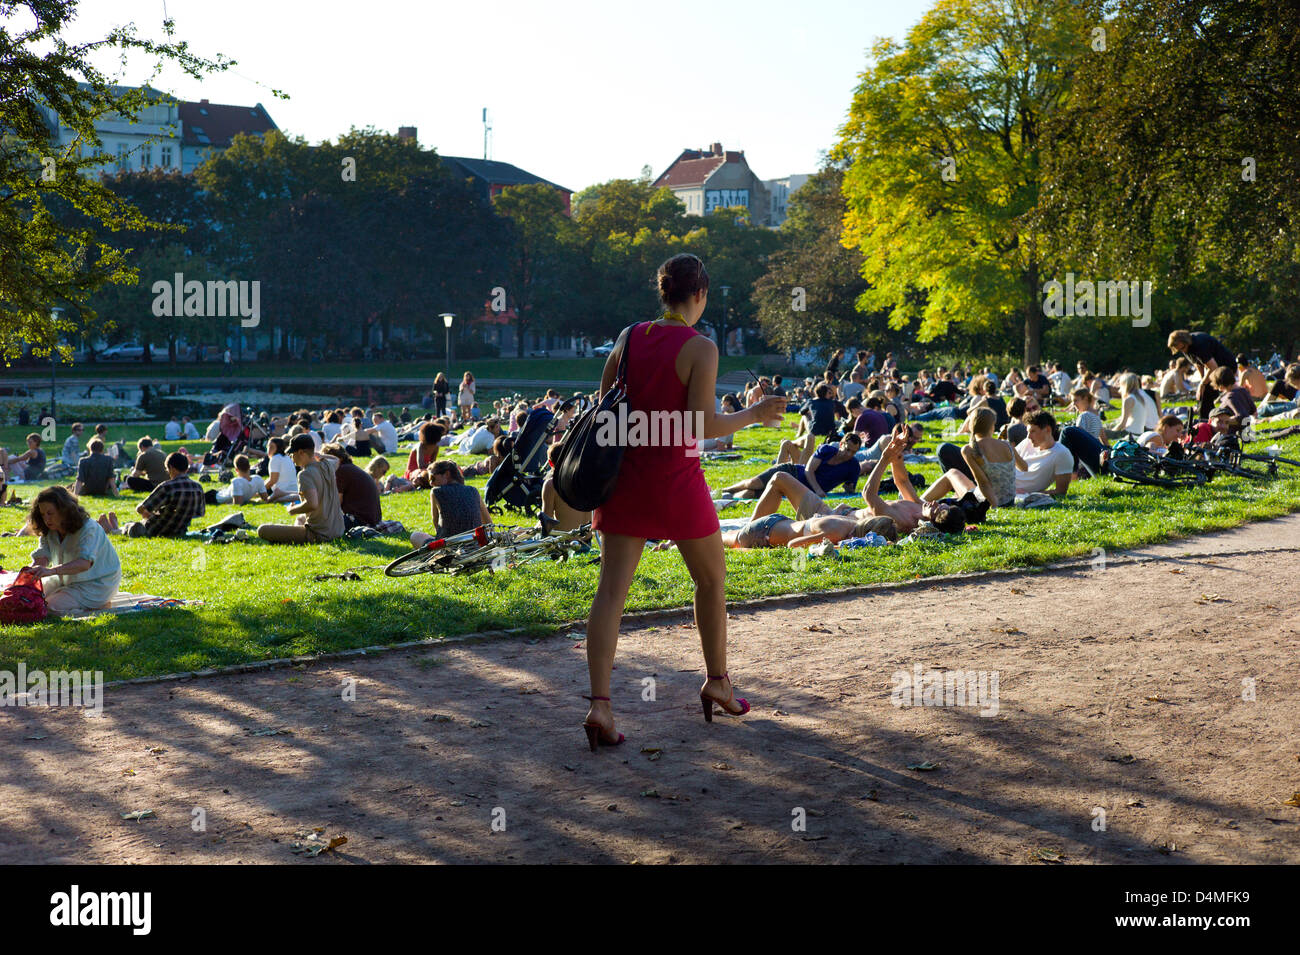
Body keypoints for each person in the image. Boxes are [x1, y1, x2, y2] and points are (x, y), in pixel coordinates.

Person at [582, 253, 786, 752]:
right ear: (700, 295)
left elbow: (605, 404)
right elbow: (702, 426)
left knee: (611, 594)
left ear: (664, 292)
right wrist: (755, 414)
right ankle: (718, 680)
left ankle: (600, 707)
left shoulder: (629, 337)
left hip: (625, 480)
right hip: (676, 480)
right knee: (711, 580)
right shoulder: (701, 348)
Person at [22, 486, 122, 615]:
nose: (46, 519)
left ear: (64, 510)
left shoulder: (89, 528)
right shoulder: (50, 530)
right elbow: (43, 555)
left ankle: (97, 606)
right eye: (42, 514)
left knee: (48, 608)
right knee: (28, 599)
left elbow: (84, 563)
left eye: (50, 513)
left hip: (96, 584)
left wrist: (51, 571)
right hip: (65, 579)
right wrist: (31, 573)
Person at [859, 432, 966, 535]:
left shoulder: (902, 522)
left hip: (847, 517)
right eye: (940, 504)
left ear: (933, 523)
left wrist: (885, 459)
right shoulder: (921, 508)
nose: (934, 502)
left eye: (936, 509)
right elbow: (903, 482)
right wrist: (897, 452)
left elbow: (869, 494)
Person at [921, 408, 1018, 521]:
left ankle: (918, 503)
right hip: (1009, 500)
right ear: (992, 425)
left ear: (971, 425)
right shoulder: (1006, 445)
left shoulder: (969, 449)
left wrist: (994, 505)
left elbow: (983, 483)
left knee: (952, 473)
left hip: (987, 501)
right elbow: (1024, 467)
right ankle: (920, 502)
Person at [257, 434, 344, 543]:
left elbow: (312, 504)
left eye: (292, 454)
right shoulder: (326, 465)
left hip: (319, 533)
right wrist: (319, 455)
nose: (291, 457)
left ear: (301, 453)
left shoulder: (305, 474)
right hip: (338, 530)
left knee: (263, 530)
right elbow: (336, 459)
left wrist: (292, 510)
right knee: (301, 519)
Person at [100, 452, 205, 538]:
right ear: (186, 468)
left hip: (156, 529)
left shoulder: (167, 487)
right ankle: (116, 528)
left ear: (171, 468)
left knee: (135, 527)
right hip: (180, 530)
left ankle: (113, 531)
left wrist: (147, 514)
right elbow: (199, 513)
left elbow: (141, 508)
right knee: (135, 525)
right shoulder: (198, 487)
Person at [409, 461, 490, 547]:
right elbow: (488, 524)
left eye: (432, 478)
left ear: (447, 474)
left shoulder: (436, 491)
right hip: (475, 547)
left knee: (415, 536)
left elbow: (437, 525)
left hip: (448, 550)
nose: (431, 483)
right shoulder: (473, 491)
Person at [1168, 328, 1233, 420]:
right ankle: (1208, 418)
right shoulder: (1186, 348)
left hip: (1225, 366)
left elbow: (1213, 366)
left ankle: (1207, 419)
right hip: (1216, 368)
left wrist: (1202, 384)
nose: (1183, 351)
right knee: (1204, 393)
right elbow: (1198, 363)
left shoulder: (1198, 344)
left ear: (1185, 342)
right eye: (1180, 350)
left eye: (1183, 348)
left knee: (1207, 394)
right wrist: (1202, 382)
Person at [1014, 412, 1074, 497]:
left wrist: (1029, 494)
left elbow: (1060, 491)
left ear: (1048, 430)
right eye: (1028, 432)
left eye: (1033, 431)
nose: (1028, 437)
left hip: (1012, 490)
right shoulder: (1027, 443)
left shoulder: (1061, 453)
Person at [323, 444, 382, 528]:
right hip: (372, 519)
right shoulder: (350, 468)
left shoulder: (341, 471)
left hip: (360, 521)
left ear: (339, 459)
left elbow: (336, 503)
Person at [1104, 373, 1160, 440]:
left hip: (1130, 433)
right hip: (1139, 432)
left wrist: (1112, 431)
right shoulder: (1140, 397)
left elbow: (1122, 424)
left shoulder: (1129, 399)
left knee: (1101, 432)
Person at [405, 421, 444, 487]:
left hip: (425, 470)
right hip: (414, 472)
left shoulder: (436, 447)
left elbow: (432, 463)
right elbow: (420, 465)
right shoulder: (420, 446)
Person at [263, 436, 299, 502]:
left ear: (278, 448)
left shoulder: (275, 459)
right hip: (294, 490)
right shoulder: (286, 457)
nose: (269, 449)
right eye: (268, 446)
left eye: (272, 447)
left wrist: (261, 490)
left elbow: (273, 480)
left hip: (282, 491)